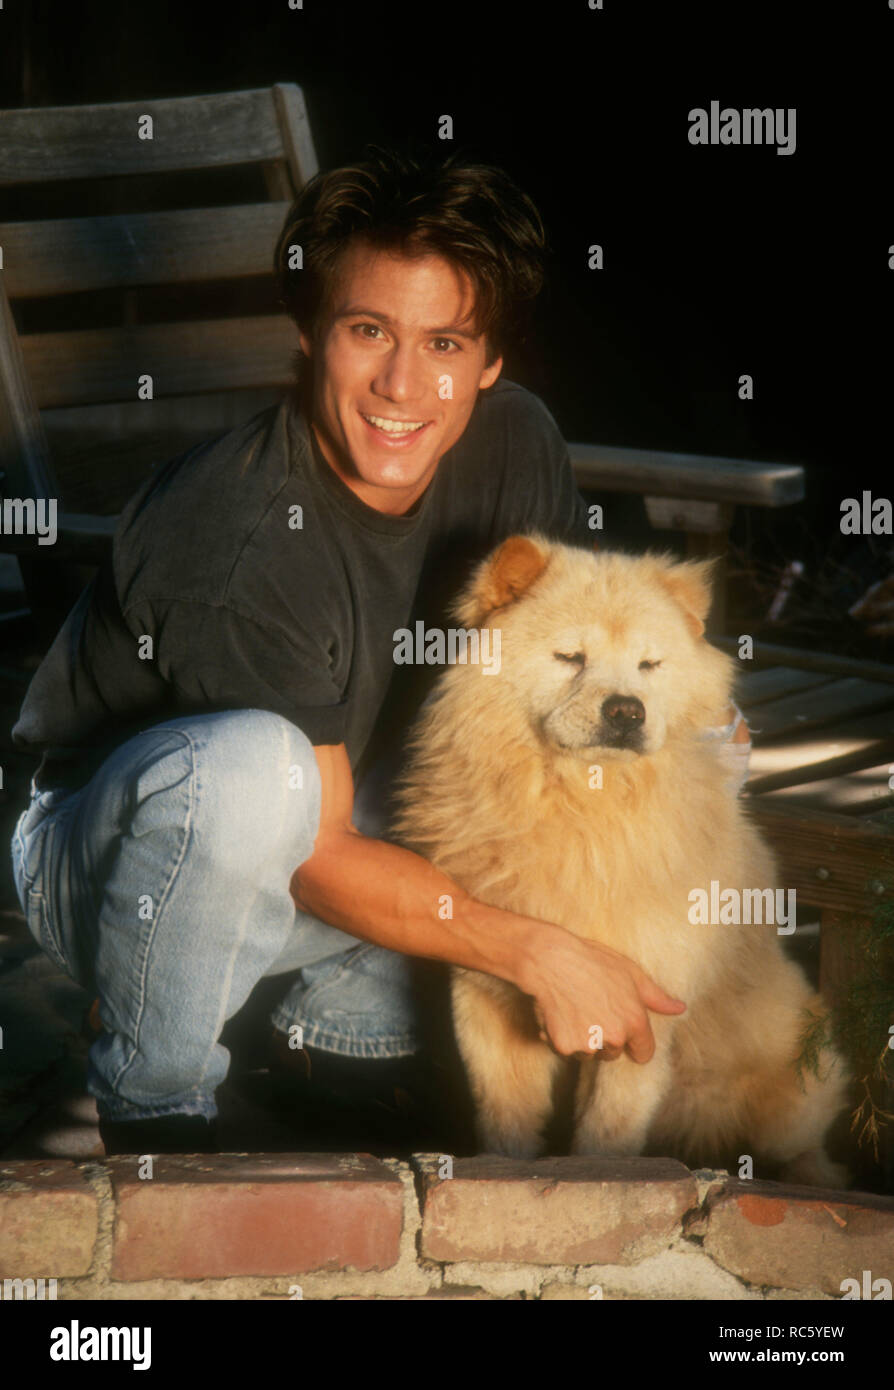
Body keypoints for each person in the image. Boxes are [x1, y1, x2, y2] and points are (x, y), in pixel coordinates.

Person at [9, 148, 750, 1155]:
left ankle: (311, 1022)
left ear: (489, 362)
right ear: (312, 331)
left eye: (445, 341)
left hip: (359, 804)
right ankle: (156, 1109)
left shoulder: (515, 441)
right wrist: (545, 949)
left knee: (694, 752)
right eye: (368, 330)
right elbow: (311, 854)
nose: (404, 383)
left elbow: (547, 698)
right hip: (116, 851)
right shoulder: (234, 530)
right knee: (256, 773)